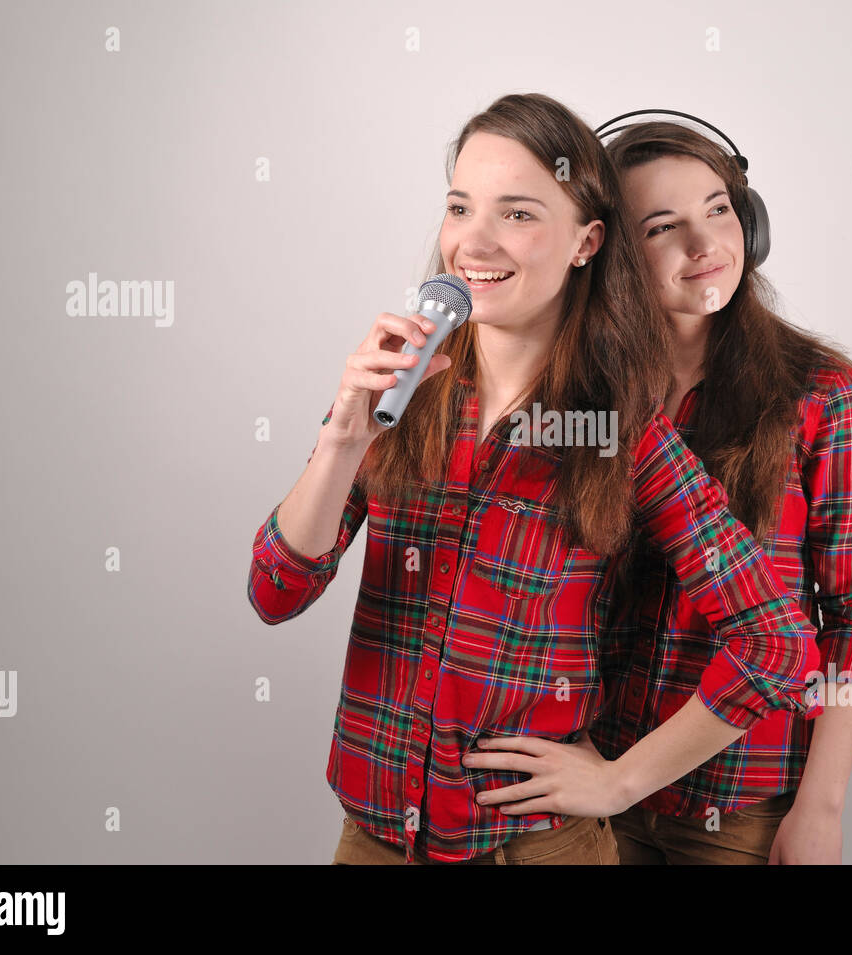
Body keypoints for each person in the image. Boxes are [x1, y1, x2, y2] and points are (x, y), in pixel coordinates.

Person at [246, 94, 821, 865]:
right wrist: (342, 440)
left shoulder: (621, 431)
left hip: (533, 847)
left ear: (586, 242)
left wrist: (619, 784)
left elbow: (776, 643)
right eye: (460, 207)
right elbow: (275, 592)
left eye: (517, 214)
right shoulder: (398, 393)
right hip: (374, 836)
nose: (472, 242)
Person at [587, 119, 852, 864]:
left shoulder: (823, 392)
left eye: (719, 209)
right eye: (664, 226)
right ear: (612, 254)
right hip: (591, 789)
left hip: (744, 805)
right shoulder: (585, 397)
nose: (705, 246)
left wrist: (821, 807)